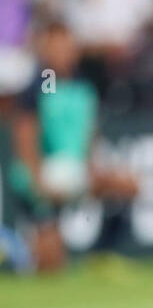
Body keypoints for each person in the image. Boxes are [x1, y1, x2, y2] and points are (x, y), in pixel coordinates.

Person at [6, 15, 137, 272]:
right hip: (44, 174)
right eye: (55, 46)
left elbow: (89, 137)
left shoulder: (85, 86)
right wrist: (38, 183)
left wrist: (95, 170)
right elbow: (25, 141)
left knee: (128, 185)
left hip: (75, 172)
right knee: (51, 266)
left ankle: (102, 255)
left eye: (66, 45)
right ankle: (23, 247)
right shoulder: (37, 88)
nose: (62, 53)